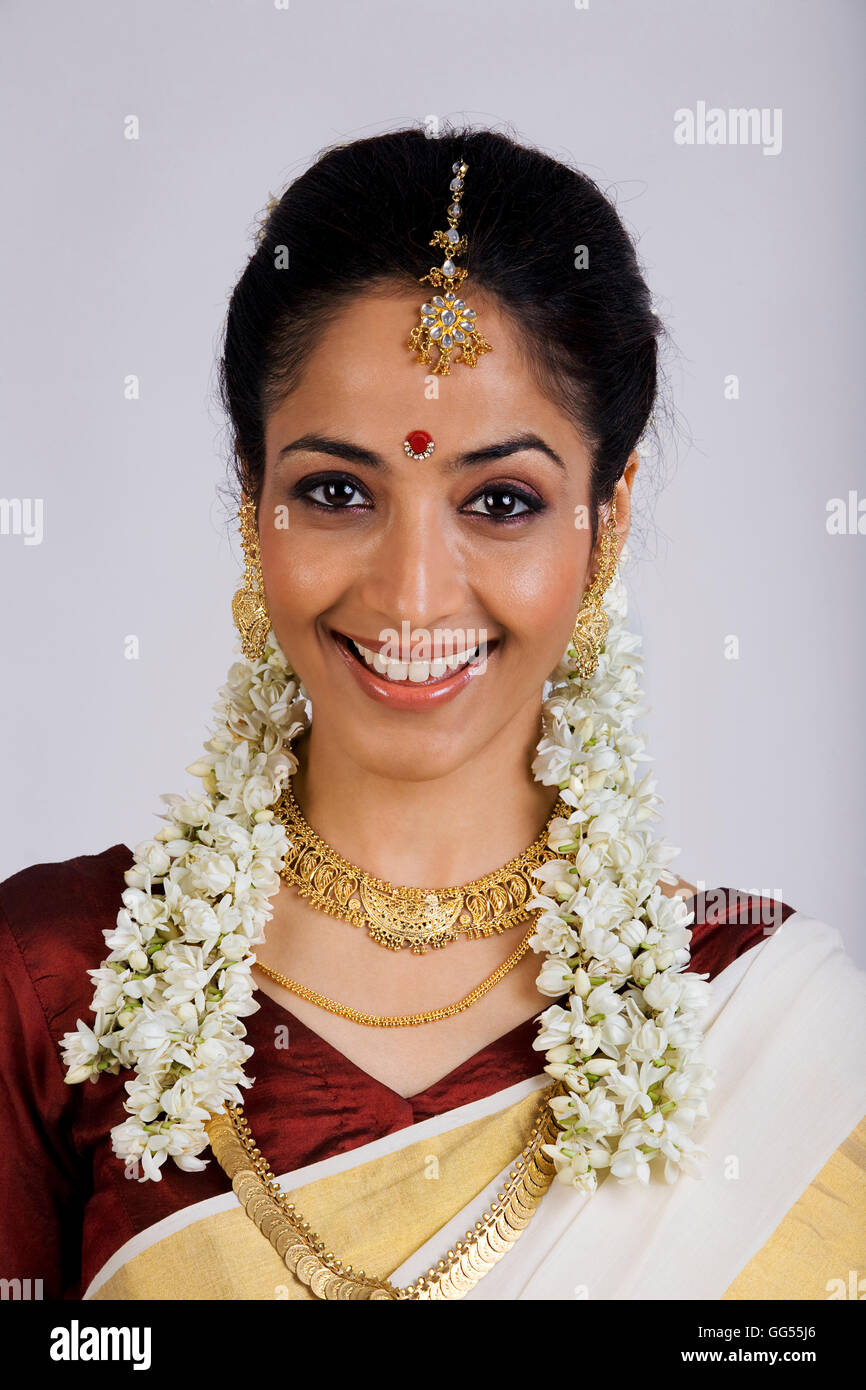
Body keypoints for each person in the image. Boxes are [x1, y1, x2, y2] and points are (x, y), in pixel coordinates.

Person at [1, 126, 863, 1303]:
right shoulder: (56, 977)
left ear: (605, 523)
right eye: (338, 491)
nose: (411, 593)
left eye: (500, 499)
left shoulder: (761, 1022)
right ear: (254, 501)